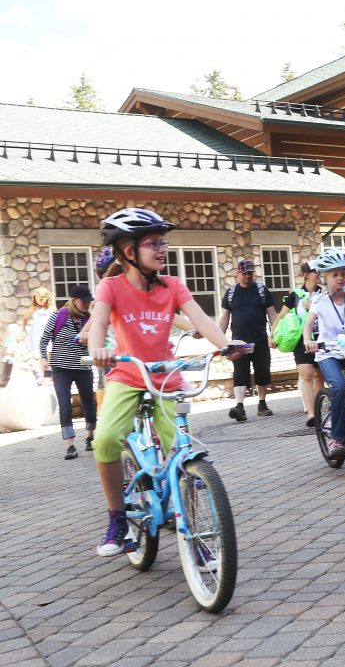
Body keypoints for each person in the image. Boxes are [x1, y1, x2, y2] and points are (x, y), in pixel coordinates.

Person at [87, 207, 245, 557]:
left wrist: (225, 345)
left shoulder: (172, 285)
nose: (163, 249)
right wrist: (98, 348)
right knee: (106, 440)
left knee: (182, 449)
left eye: (164, 242)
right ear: (130, 252)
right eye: (154, 243)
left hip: (165, 377)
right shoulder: (111, 286)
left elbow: (200, 319)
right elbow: (98, 320)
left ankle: (192, 526)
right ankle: (116, 518)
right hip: (127, 376)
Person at [303, 250, 345, 459]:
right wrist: (308, 340)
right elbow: (308, 324)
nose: (340, 278)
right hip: (328, 353)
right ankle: (336, 437)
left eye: (343, 273)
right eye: (335, 274)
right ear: (325, 276)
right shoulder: (320, 301)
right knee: (340, 387)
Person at [39, 284, 96, 459]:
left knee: (89, 404)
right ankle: (70, 445)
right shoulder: (58, 317)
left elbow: (98, 341)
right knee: (65, 406)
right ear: (74, 301)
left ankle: (90, 437)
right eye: (83, 301)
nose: (86, 304)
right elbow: (44, 340)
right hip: (61, 369)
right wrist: (43, 359)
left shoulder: (90, 319)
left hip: (83, 367)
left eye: (88, 301)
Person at [219, 259, 278, 422]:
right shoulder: (231, 293)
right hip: (239, 343)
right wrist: (220, 339)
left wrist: (275, 334)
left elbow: (272, 313)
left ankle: (262, 403)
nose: (247, 276)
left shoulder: (261, 290)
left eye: (250, 273)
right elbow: (225, 316)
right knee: (240, 373)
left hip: (260, 340)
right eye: (244, 273)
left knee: (263, 372)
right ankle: (239, 406)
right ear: (237, 274)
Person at [274, 262, 323, 427]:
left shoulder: (323, 294)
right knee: (307, 375)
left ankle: (318, 409)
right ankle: (311, 414)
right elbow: (281, 316)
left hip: (321, 339)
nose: (318, 274)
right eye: (315, 271)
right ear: (307, 274)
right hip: (302, 341)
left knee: (319, 376)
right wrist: (271, 336)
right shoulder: (294, 295)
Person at [23, 287, 54, 378]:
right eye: (38, 298)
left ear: (47, 298)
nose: (40, 301)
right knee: (42, 354)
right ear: (35, 298)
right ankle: (43, 373)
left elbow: (57, 317)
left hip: (49, 332)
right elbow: (25, 318)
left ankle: (52, 373)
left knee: (51, 351)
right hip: (38, 333)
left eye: (42, 298)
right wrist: (23, 328)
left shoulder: (51, 307)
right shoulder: (34, 308)